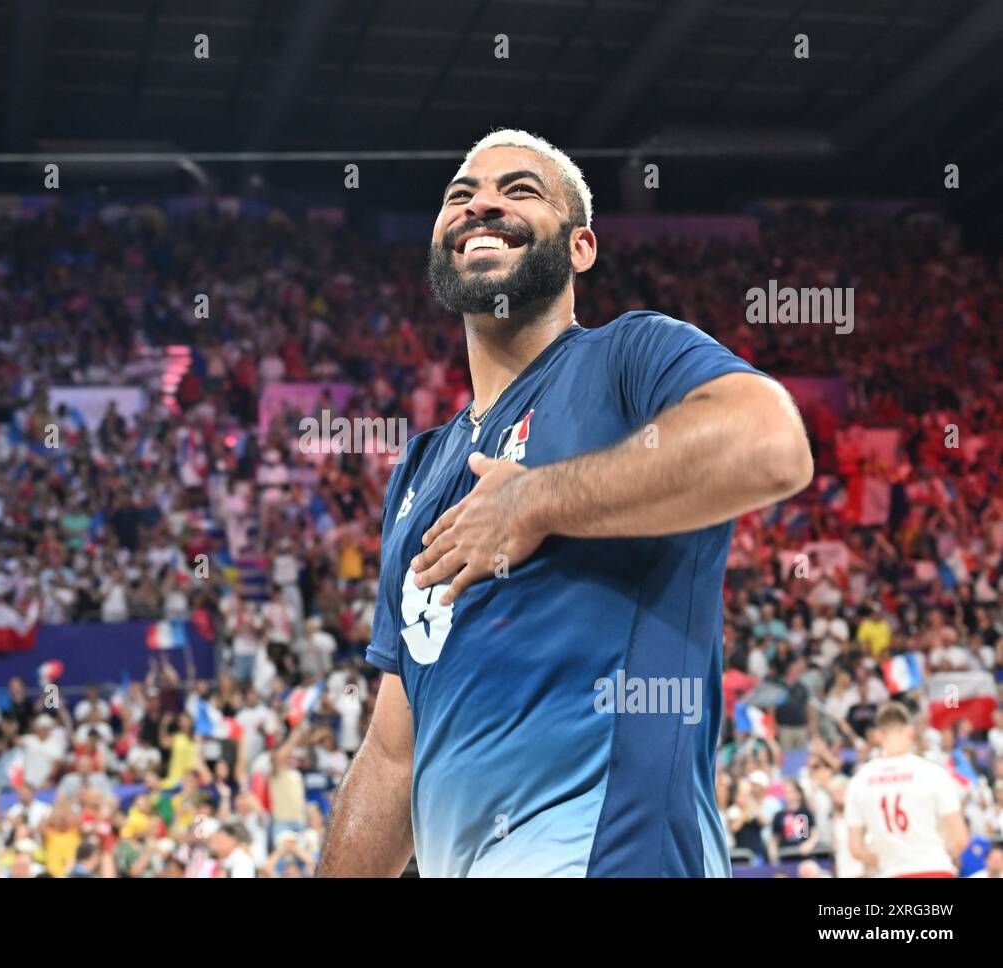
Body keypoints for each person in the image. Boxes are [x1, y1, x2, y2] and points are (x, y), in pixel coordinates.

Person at [319, 128, 812, 878]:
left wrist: (536, 502)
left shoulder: (629, 357)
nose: (481, 203)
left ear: (581, 247)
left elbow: (770, 444)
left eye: (519, 191)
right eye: (460, 195)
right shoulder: (419, 471)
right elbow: (392, 757)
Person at [843, 702, 969, 878]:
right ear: (910, 731)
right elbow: (960, 838)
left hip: (892, 872)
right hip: (935, 868)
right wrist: (938, 854)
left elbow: (855, 848)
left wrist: (888, 860)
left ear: (878, 735)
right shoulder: (932, 772)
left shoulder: (859, 781)